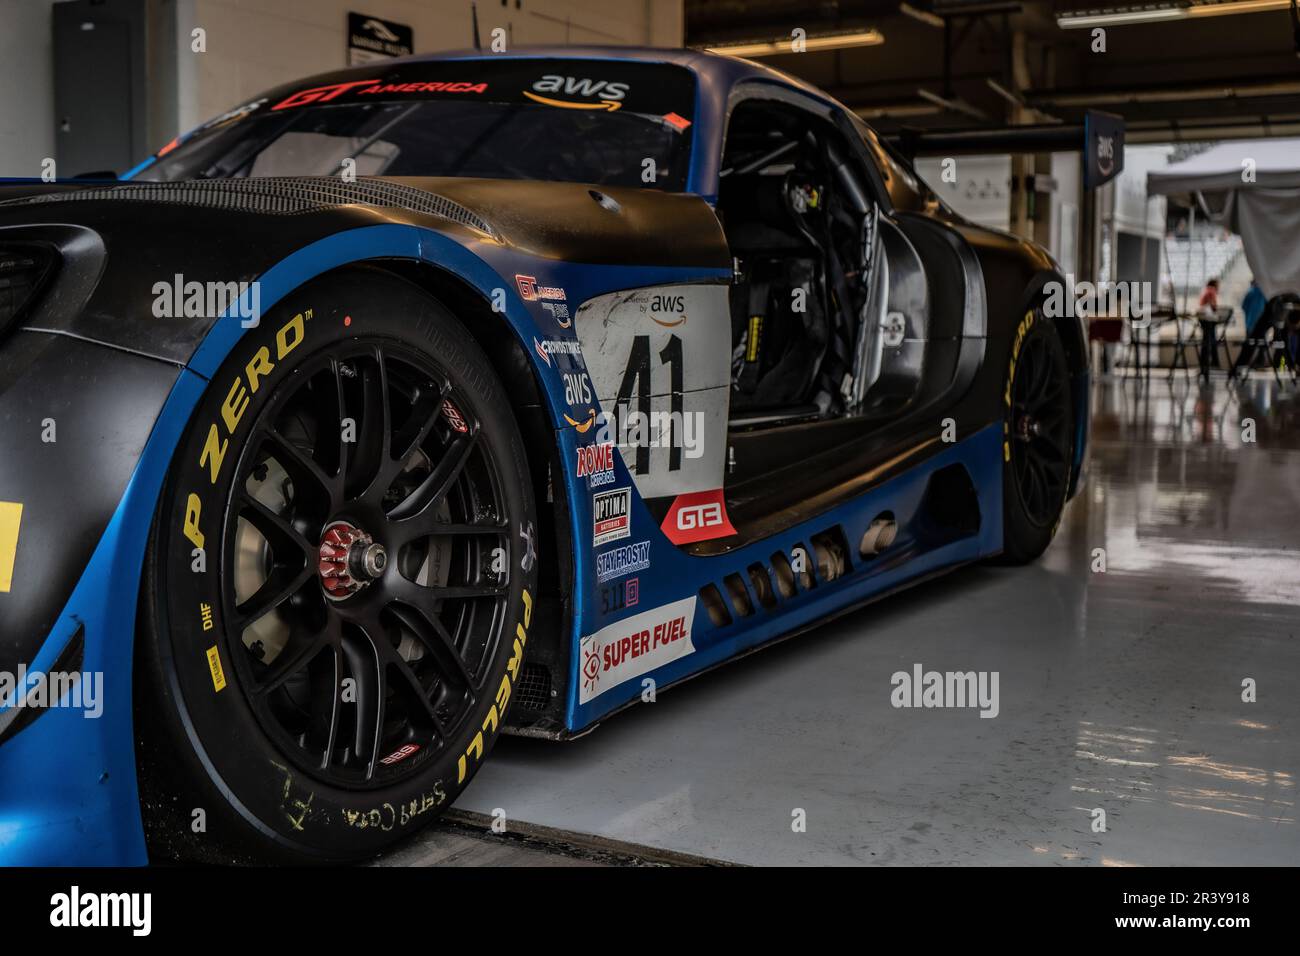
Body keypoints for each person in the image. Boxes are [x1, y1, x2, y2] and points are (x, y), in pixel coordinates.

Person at [1231, 278, 1269, 375]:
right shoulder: (1264, 293)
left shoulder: (1250, 292)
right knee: (1262, 343)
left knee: (1249, 345)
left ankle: (1243, 365)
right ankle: (1260, 362)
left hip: (1250, 322)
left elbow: (1243, 306)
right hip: (1262, 323)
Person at [1196, 278, 1224, 375]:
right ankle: (1213, 363)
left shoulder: (1206, 290)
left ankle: (1205, 363)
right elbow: (1214, 306)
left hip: (1203, 319)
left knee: (1207, 341)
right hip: (1209, 320)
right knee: (1210, 341)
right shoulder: (1212, 291)